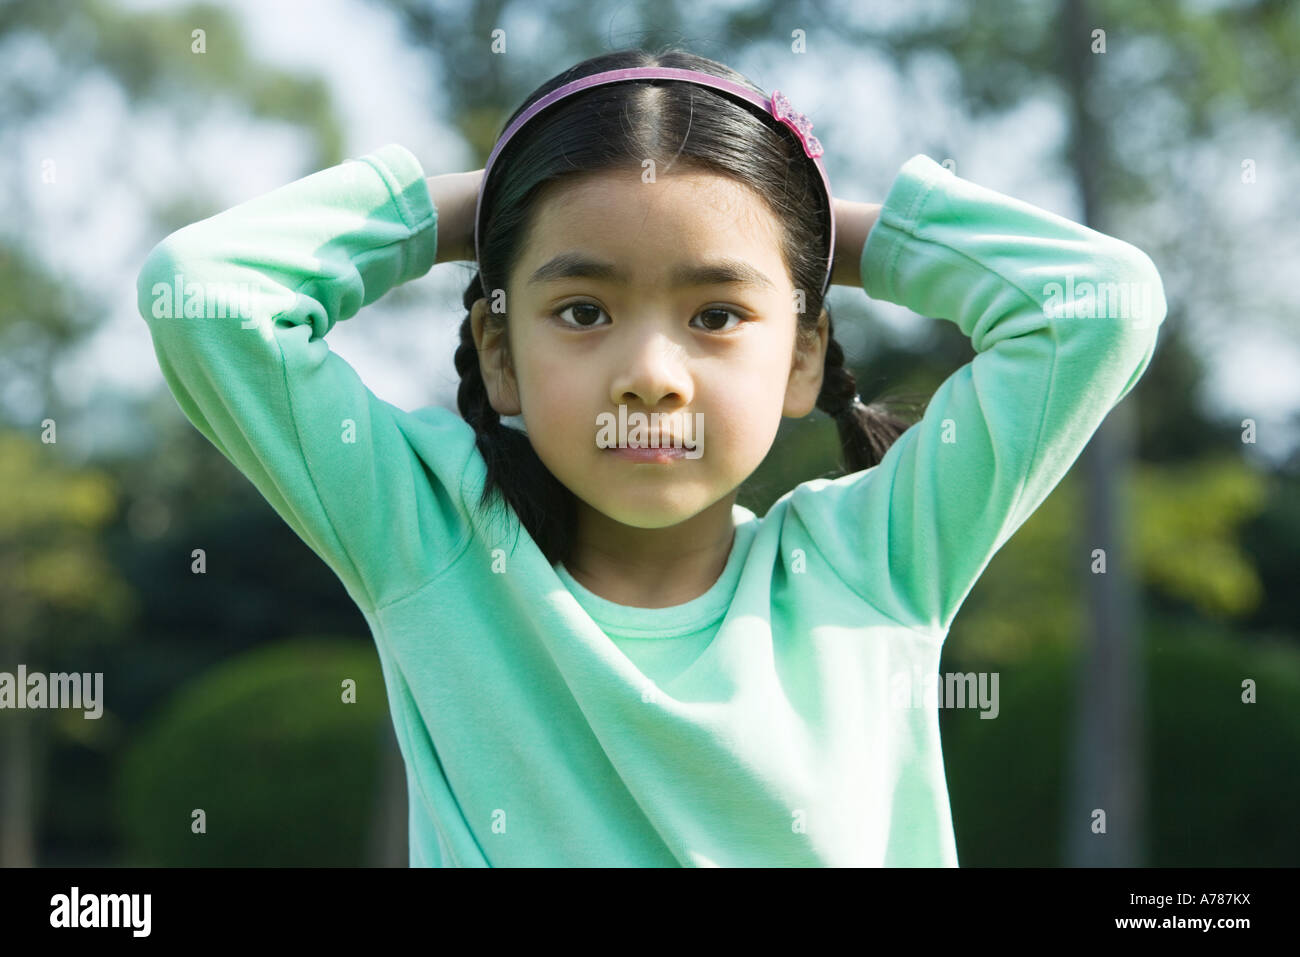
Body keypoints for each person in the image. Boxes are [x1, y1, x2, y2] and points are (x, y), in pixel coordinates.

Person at [135, 47, 1167, 866]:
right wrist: (483, 205)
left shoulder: (877, 564)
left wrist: (813, 229)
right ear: (499, 352)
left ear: (802, 353)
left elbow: (1097, 304)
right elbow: (208, 294)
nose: (651, 374)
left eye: (717, 312)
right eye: (582, 309)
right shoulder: (434, 544)